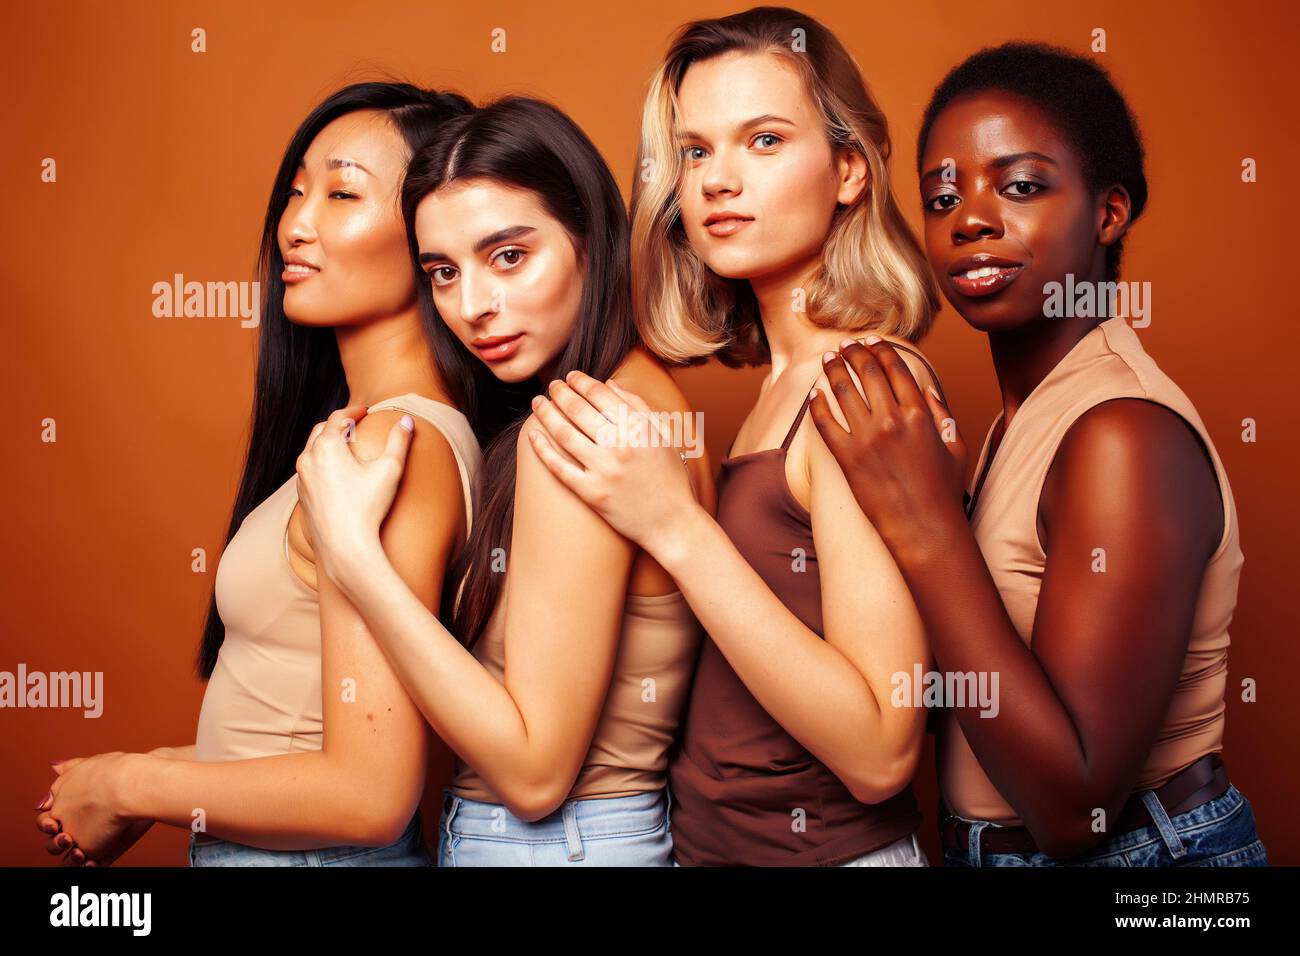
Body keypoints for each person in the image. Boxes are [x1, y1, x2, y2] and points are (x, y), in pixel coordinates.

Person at [808, 41, 1267, 866]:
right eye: (942, 195)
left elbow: (1073, 808)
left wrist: (924, 522)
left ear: (1109, 212)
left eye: (1020, 186)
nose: (971, 218)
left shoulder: (1124, 432)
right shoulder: (1027, 420)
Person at [526, 6, 946, 866]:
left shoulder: (860, 385)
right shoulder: (781, 386)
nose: (718, 180)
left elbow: (880, 750)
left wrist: (675, 528)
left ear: (849, 172)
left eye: (763, 141)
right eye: (695, 150)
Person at [35, 83, 480, 867]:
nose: (294, 225)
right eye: (298, 190)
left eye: (342, 193)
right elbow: (301, 720)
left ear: (431, 233)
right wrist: (172, 770)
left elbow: (368, 796)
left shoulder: (389, 446)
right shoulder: (360, 429)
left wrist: (128, 784)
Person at [292, 96, 715, 866]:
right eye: (443, 272)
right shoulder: (643, 400)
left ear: (589, 234)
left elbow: (533, 773)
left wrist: (355, 558)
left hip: (550, 845)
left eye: (510, 256)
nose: (473, 306)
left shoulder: (580, 430)